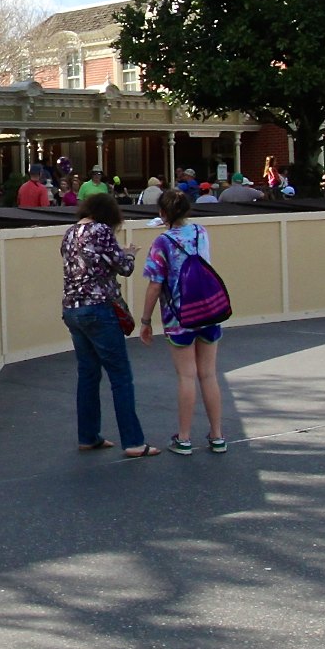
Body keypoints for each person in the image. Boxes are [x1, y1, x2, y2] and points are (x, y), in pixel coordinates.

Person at [137, 188, 229, 456]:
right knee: (209, 374)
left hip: (179, 317)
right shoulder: (201, 232)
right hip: (209, 311)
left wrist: (145, 320)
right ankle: (217, 435)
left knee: (186, 376)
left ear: (162, 213)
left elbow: (155, 285)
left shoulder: (162, 242)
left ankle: (184, 438)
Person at [59, 190, 147, 456]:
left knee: (88, 374)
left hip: (72, 309)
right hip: (99, 309)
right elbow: (124, 268)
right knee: (120, 376)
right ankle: (133, 442)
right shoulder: (102, 231)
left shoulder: (70, 233)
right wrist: (129, 254)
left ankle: (88, 436)